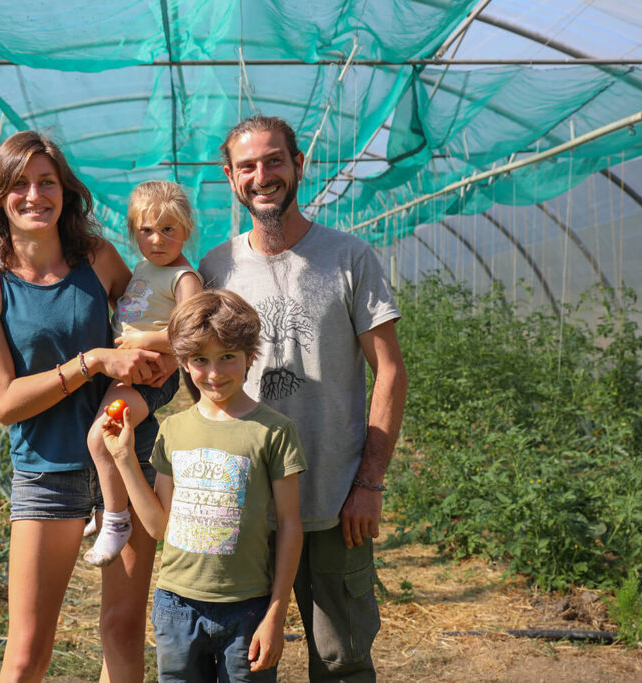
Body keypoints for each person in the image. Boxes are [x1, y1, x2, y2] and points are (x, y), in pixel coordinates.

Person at [198, 115, 408, 682]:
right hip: (245, 504)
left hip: (334, 499)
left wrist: (368, 484)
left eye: (274, 161)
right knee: (241, 663)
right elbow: (196, 376)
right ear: (230, 177)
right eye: (247, 166)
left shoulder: (348, 257)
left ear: (298, 165)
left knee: (342, 659)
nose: (261, 175)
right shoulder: (215, 269)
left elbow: (390, 372)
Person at [0, 130, 172, 682]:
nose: (34, 195)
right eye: (19, 184)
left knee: (122, 629)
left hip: (126, 461)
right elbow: (4, 402)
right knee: (27, 651)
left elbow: (152, 321)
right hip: (46, 472)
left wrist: (156, 364)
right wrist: (93, 362)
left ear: (65, 191)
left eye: (46, 182)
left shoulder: (97, 259)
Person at [100, 290, 306, 682]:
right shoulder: (174, 430)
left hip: (248, 609)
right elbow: (159, 527)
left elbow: (290, 525)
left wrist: (276, 614)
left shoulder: (274, 431)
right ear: (183, 362)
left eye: (227, 356)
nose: (213, 373)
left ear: (250, 355)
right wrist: (124, 457)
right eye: (200, 360)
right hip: (176, 608)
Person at [83, 180, 203, 567]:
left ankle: (116, 521)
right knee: (100, 435)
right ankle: (103, 508)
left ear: (186, 229)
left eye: (168, 229)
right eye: (146, 230)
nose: (156, 240)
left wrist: (146, 339)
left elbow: (193, 333)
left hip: (150, 375)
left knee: (103, 436)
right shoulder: (143, 268)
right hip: (126, 372)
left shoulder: (184, 278)